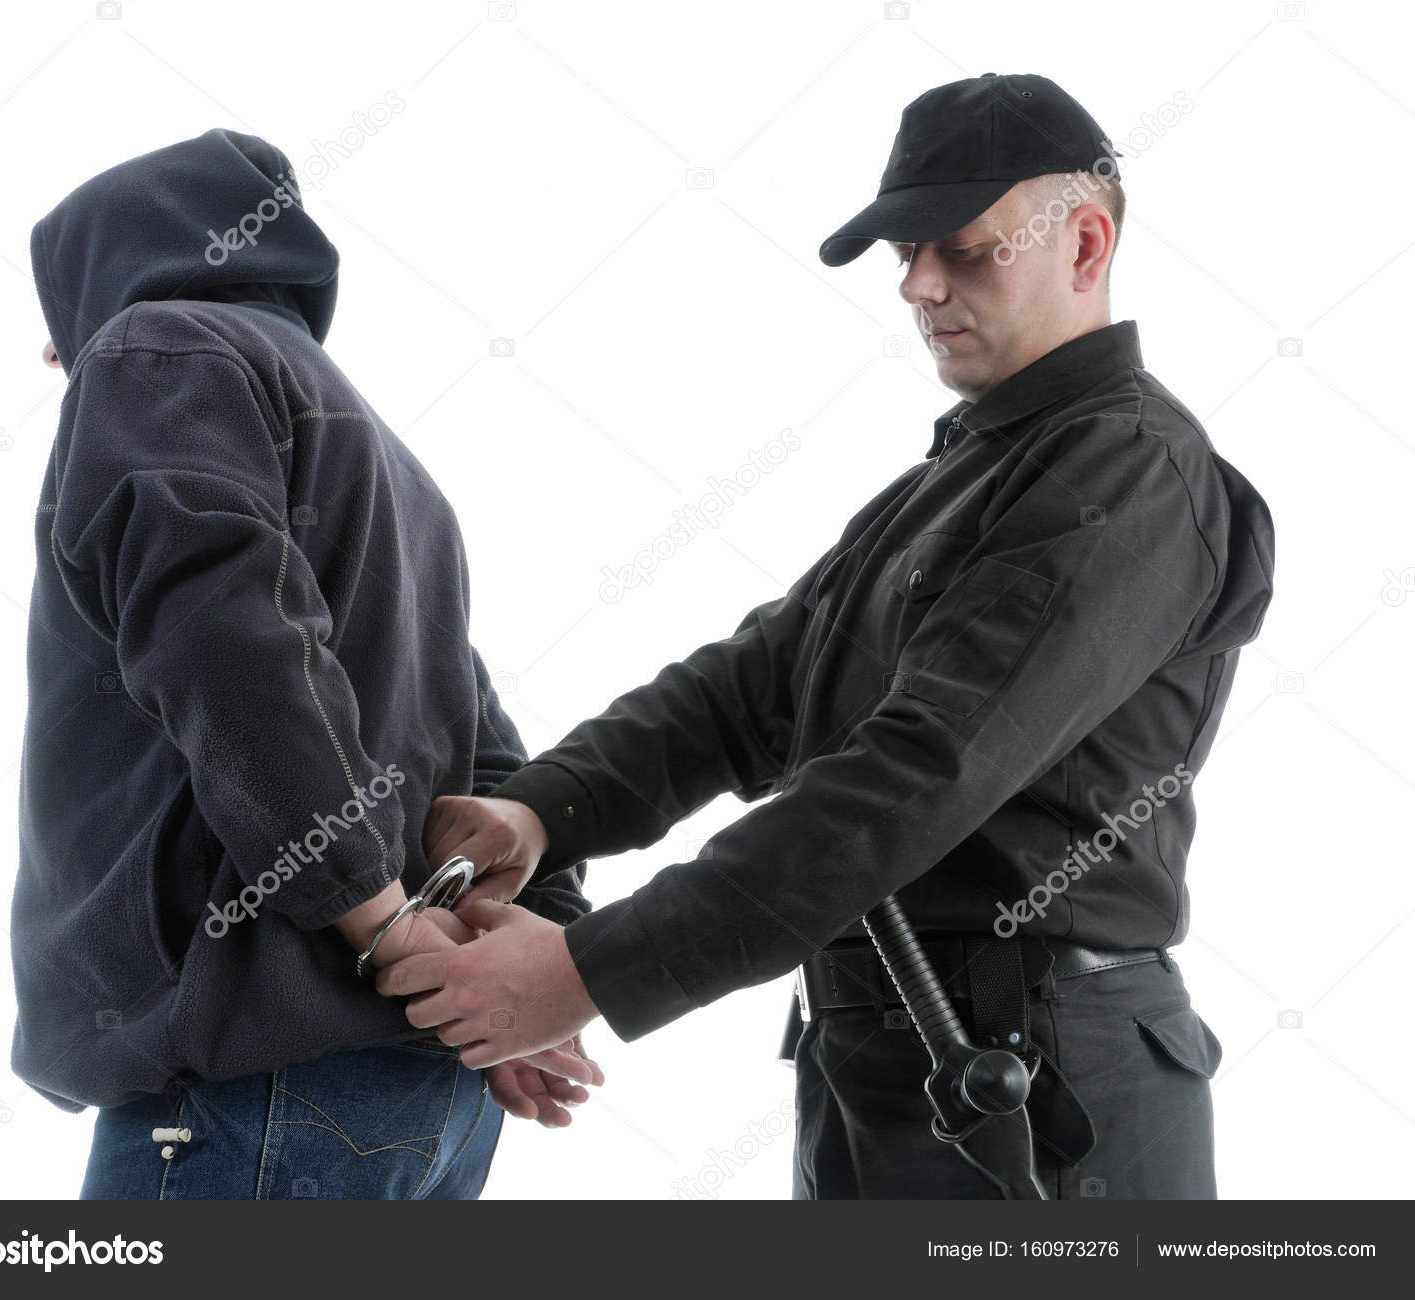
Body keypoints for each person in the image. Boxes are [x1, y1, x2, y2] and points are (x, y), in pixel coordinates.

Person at [379, 74, 1277, 1199]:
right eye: (908, 251)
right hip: (888, 1057)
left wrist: (583, 973)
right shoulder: (952, 481)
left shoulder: (1130, 475)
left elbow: (919, 770)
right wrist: (543, 810)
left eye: (962, 247)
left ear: (1083, 243)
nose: (916, 283)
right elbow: (752, 689)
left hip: (1037, 1081)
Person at [11, 128, 601, 1201]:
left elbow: (235, 657)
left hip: (256, 1083)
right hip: (429, 1091)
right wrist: (528, 963)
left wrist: (378, 922)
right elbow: (483, 747)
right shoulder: (378, 451)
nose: (62, 354)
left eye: (61, 311)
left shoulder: (156, 350)